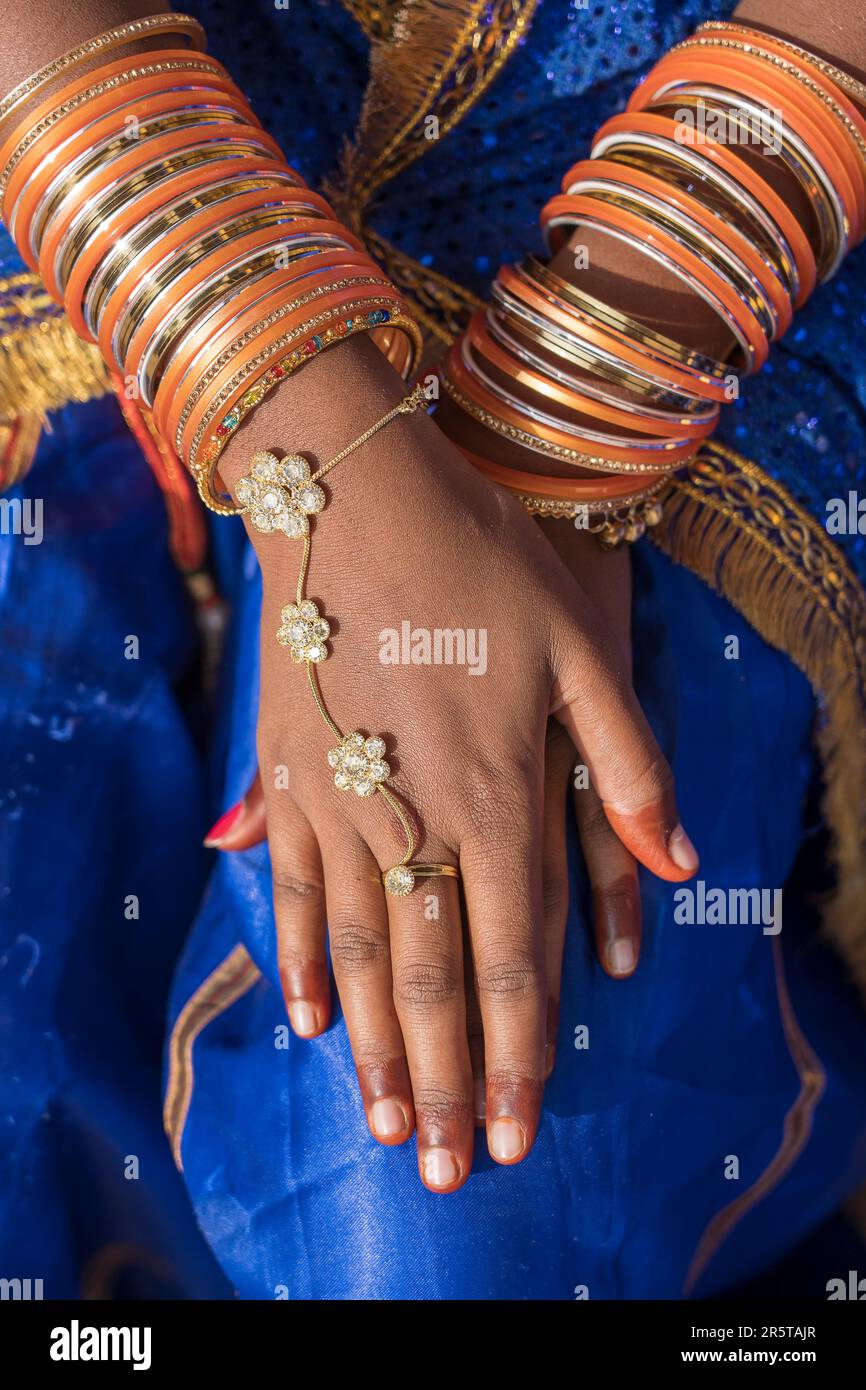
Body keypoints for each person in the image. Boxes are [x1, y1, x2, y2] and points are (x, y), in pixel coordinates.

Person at [1, 0, 865, 1299]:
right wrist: (305, 436)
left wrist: (566, 427)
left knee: (446, 1188)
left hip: (703, 209)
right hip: (100, 146)